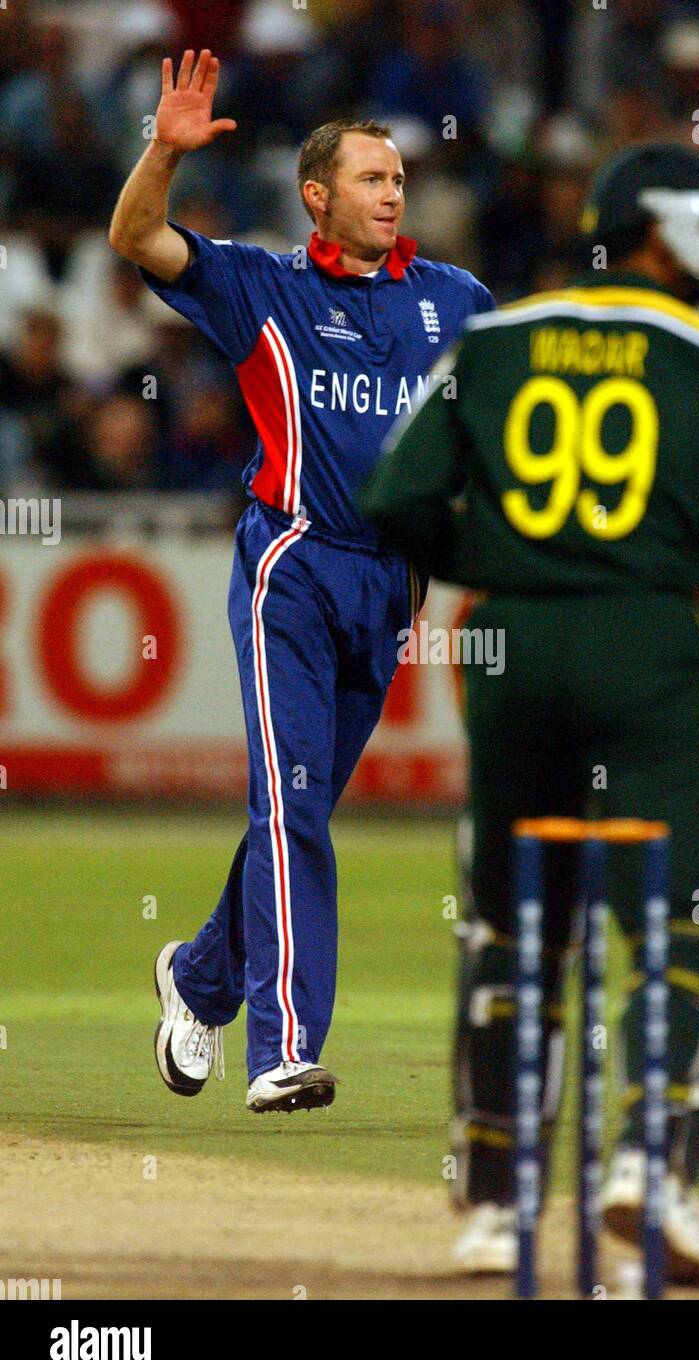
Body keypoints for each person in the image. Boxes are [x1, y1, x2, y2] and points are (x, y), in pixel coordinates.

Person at [360, 143, 699, 1286]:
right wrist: (659, 590)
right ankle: (650, 1170)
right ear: (658, 228)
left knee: (509, 914)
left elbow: (395, 497)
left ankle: (497, 1209)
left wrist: (500, 563)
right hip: (646, 643)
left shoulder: (493, 339)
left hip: (507, 640)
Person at [108, 49, 492, 1115]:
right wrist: (163, 152)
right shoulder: (261, 287)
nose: (393, 193)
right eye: (372, 179)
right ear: (316, 197)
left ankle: (194, 978)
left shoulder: (453, 300)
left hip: (392, 586)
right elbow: (137, 237)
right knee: (290, 807)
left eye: (400, 179)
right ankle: (281, 1044)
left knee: (302, 803)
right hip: (292, 562)